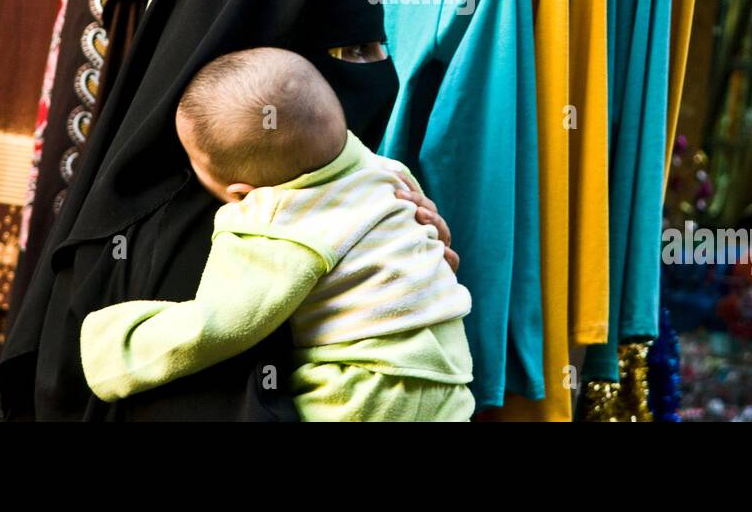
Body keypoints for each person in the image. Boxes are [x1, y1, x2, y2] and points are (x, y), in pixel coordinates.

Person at [0, 0, 458, 420]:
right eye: (353, 50)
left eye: (376, 50)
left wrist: (403, 288)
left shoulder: (322, 202)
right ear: (269, 45)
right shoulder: (205, 242)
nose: (380, 76)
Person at [80, 48, 475, 421]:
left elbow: (223, 324)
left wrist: (116, 345)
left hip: (362, 396)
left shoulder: (277, 223)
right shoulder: (387, 173)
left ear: (240, 193)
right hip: (450, 382)